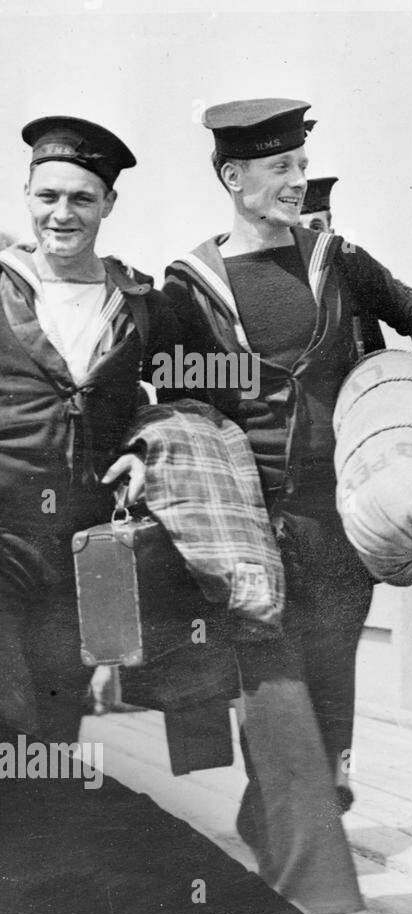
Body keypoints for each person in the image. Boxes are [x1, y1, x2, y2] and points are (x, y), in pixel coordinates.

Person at [163, 98, 412, 914]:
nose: (297, 180)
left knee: (329, 703)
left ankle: (279, 828)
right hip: (247, 531)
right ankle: (314, 893)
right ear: (234, 177)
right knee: (275, 698)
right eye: (279, 168)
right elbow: (176, 401)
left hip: (339, 522)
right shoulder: (190, 286)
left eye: (302, 165)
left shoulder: (341, 261)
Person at [0, 116, 181, 746]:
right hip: (5, 530)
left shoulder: (141, 303)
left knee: (53, 725)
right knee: (8, 706)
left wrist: (146, 450)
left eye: (81, 198)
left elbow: (193, 401)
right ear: (26, 196)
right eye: (47, 197)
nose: (62, 214)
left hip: (85, 544)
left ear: (108, 203)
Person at [299, 176, 385, 356]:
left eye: (316, 228)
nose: (308, 237)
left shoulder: (356, 271)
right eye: (299, 229)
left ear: (331, 233)